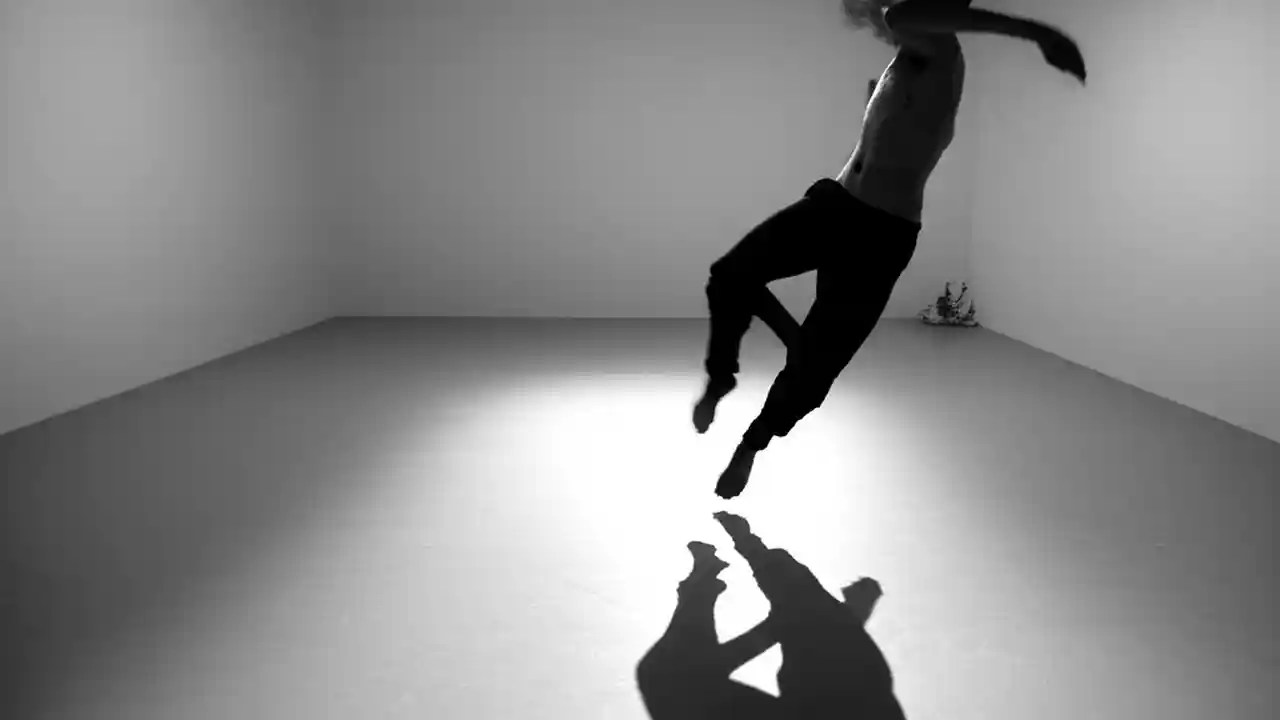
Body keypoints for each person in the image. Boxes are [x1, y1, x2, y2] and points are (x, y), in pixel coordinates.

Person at [693, 0, 1087, 498]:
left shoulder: (939, 48)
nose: (874, 22)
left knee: (813, 380)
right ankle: (726, 375)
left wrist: (1038, 33)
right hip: (835, 204)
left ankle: (752, 443)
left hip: (882, 235)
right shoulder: (907, 59)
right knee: (732, 275)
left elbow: (902, 15)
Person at [635, 512, 901, 719]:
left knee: (669, 677)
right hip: (815, 698)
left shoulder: (832, 627)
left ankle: (704, 587)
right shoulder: (833, 628)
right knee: (669, 677)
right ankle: (704, 586)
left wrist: (746, 542)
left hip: (831, 697)